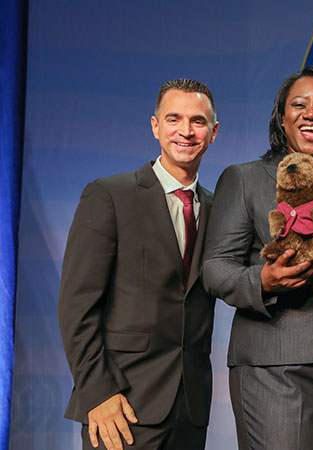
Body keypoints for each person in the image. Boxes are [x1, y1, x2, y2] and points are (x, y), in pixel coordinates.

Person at [201, 66, 313, 450]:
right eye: (299, 105)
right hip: (278, 365)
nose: (311, 113)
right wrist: (263, 281)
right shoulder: (246, 178)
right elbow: (216, 268)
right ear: (282, 119)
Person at [58, 78, 219, 450]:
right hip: (121, 406)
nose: (186, 131)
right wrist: (97, 393)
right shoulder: (110, 195)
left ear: (213, 132)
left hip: (190, 409)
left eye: (198, 121)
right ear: (155, 126)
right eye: (174, 118)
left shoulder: (219, 208)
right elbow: (75, 308)